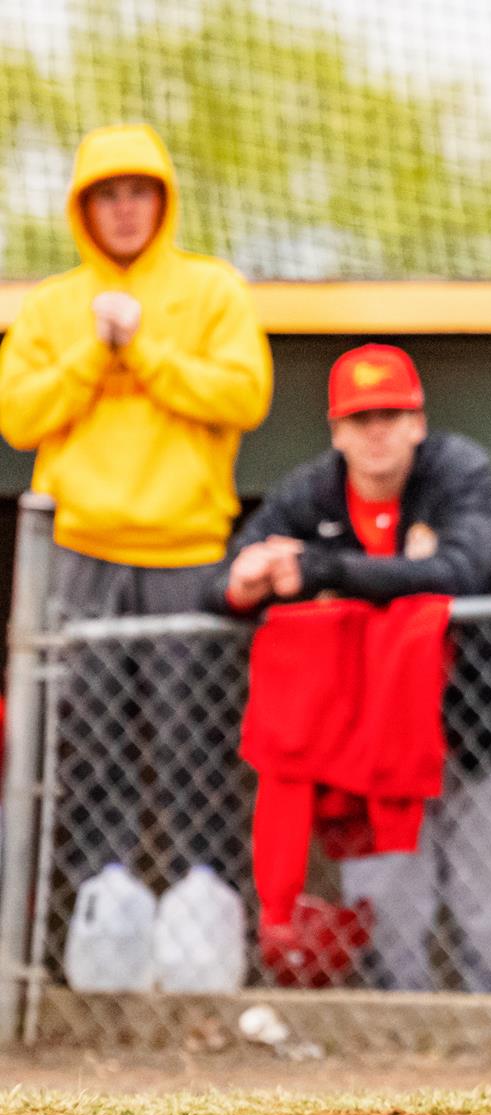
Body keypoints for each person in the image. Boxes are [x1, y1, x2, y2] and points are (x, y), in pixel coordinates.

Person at [207, 344, 491, 992]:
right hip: (376, 741)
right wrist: (248, 583)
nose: (377, 432)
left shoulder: (458, 470)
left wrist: (324, 570)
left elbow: (459, 572)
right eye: (361, 418)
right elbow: (219, 582)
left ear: (417, 422)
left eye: (391, 416)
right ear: (337, 431)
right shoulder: (311, 492)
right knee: (392, 919)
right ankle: (403, 1065)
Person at [0, 123, 272, 898]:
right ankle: (97, 903)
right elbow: (18, 415)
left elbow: (244, 395)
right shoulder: (53, 307)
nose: (124, 210)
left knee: (195, 740)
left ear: (164, 200)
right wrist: (94, 350)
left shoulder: (210, 289)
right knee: (87, 737)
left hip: (186, 547)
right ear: (82, 209)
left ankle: (208, 903)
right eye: (107, 195)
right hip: (82, 547)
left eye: (139, 192)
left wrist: (143, 346)